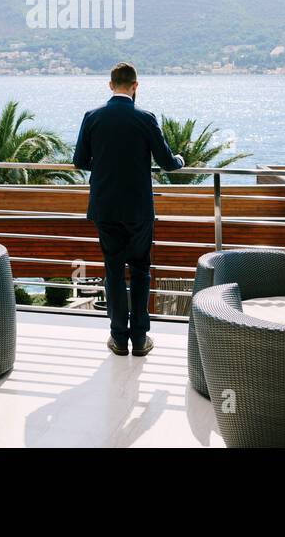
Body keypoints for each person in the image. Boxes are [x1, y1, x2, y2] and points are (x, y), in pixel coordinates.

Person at [72, 62, 183, 356]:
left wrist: (105, 163)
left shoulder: (92, 117)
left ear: (110, 85)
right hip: (138, 209)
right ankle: (140, 338)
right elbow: (167, 161)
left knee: (113, 271)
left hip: (105, 208)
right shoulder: (145, 118)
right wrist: (180, 161)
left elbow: (80, 161)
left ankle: (118, 338)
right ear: (136, 86)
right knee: (141, 270)